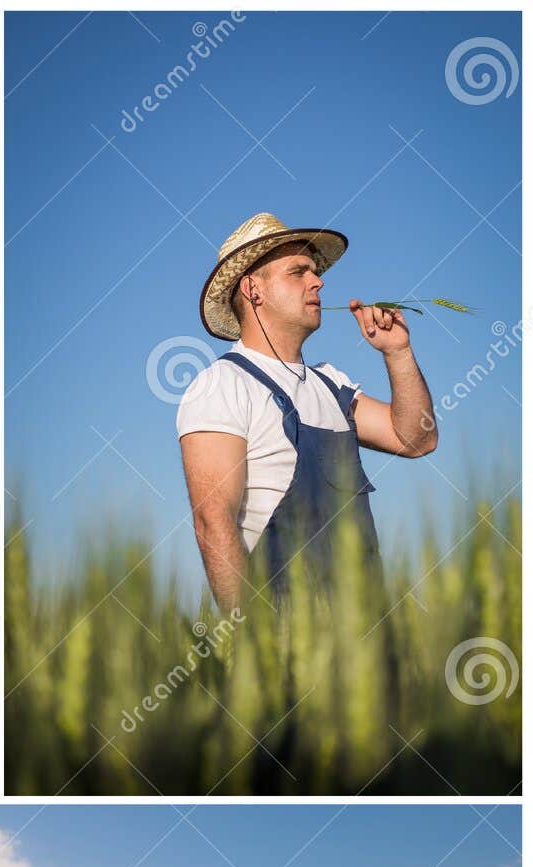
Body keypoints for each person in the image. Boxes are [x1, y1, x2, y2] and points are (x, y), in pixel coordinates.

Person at [178, 211, 438, 611]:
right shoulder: (222, 385)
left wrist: (398, 353)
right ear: (253, 290)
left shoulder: (332, 385)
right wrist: (252, 643)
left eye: (315, 272)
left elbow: (417, 438)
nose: (317, 282)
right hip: (284, 630)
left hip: (365, 630)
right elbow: (213, 522)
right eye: (298, 272)